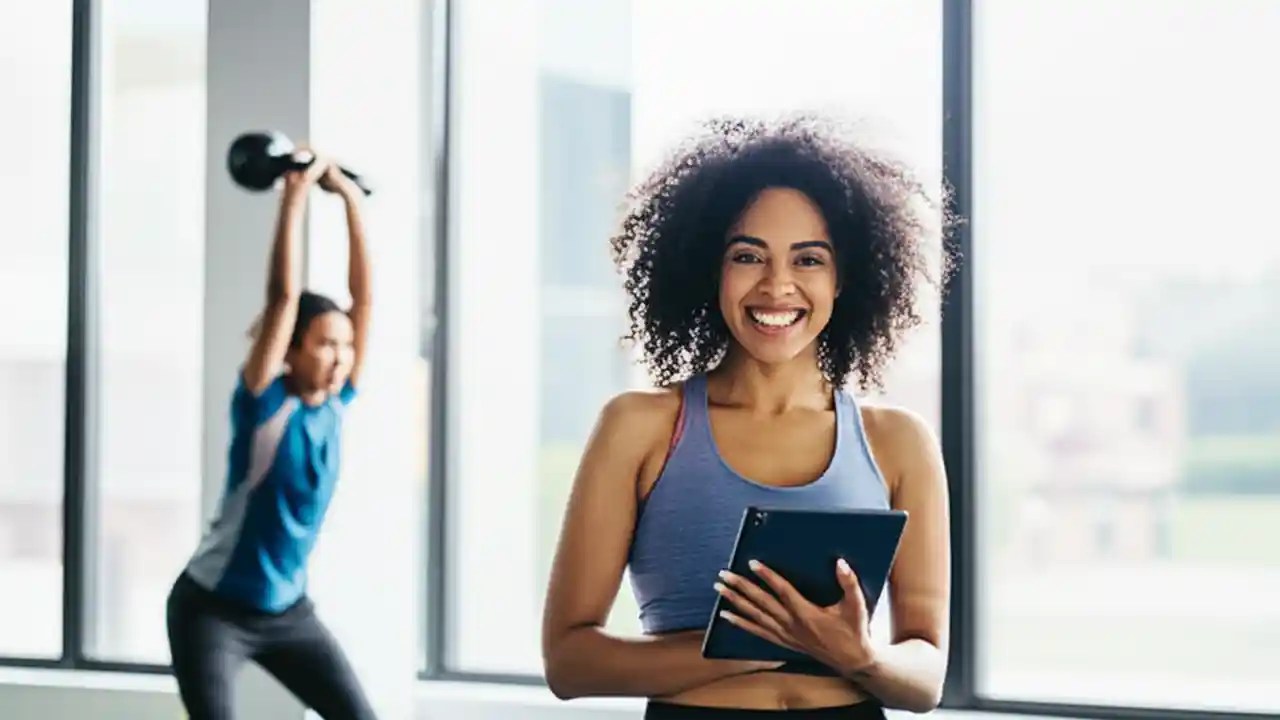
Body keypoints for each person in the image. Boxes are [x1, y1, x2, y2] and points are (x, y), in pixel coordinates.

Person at [541, 114, 953, 719]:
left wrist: (860, 657)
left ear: (845, 278)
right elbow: (569, 663)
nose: (777, 285)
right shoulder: (640, 426)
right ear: (712, 270)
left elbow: (925, 679)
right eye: (748, 255)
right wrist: (741, 650)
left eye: (809, 259)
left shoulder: (898, 441)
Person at [166, 147, 376, 720]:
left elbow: (366, 298)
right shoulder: (264, 401)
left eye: (346, 344)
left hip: (289, 613)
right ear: (292, 349)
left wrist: (350, 199)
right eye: (324, 344)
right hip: (211, 610)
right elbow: (283, 297)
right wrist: (296, 196)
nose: (339, 357)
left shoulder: (337, 403)